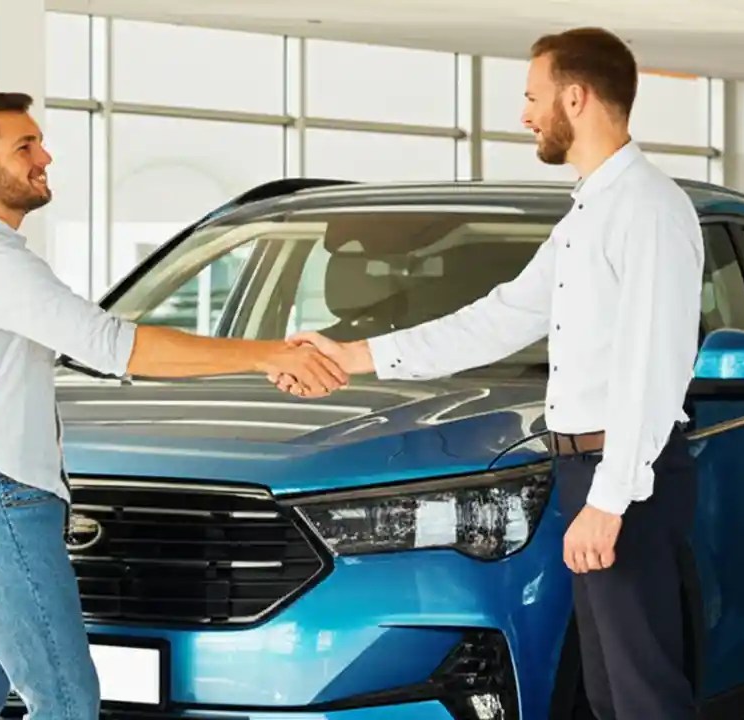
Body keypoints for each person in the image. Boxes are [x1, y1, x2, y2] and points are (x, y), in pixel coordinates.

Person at [277, 27, 703, 720]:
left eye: (534, 97)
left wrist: (610, 500)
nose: (526, 114)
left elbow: (652, 369)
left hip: (622, 476)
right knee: (608, 690)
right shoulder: (587, 213)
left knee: (642, 690)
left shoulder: (649, 209)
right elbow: (500, 318)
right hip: (583, 470)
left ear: (576, 96)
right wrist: (355, 356)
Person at [0, 90, 347, 720]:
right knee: (65, 700)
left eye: (40, 141)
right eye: (25, 146)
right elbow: (116, 346)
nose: (45, 157)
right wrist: (265, 354)